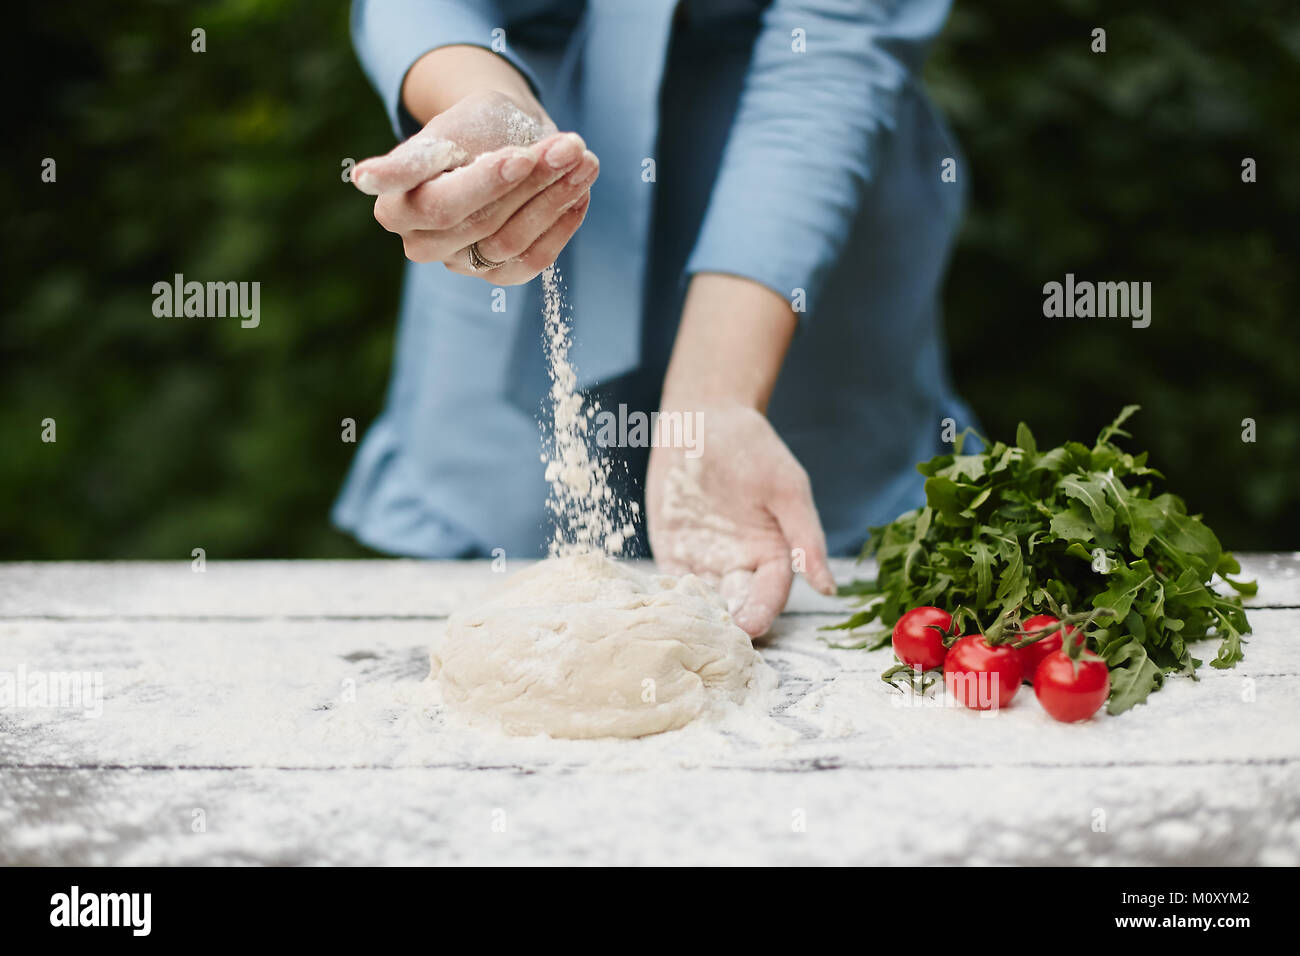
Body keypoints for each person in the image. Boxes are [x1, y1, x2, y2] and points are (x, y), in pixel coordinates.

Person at [333, 0, 975, 637]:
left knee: (810, 583)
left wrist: (717, 398)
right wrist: (485, 99)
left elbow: (830, 50)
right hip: (521, 192)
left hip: (785, 214)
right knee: (506, 580)